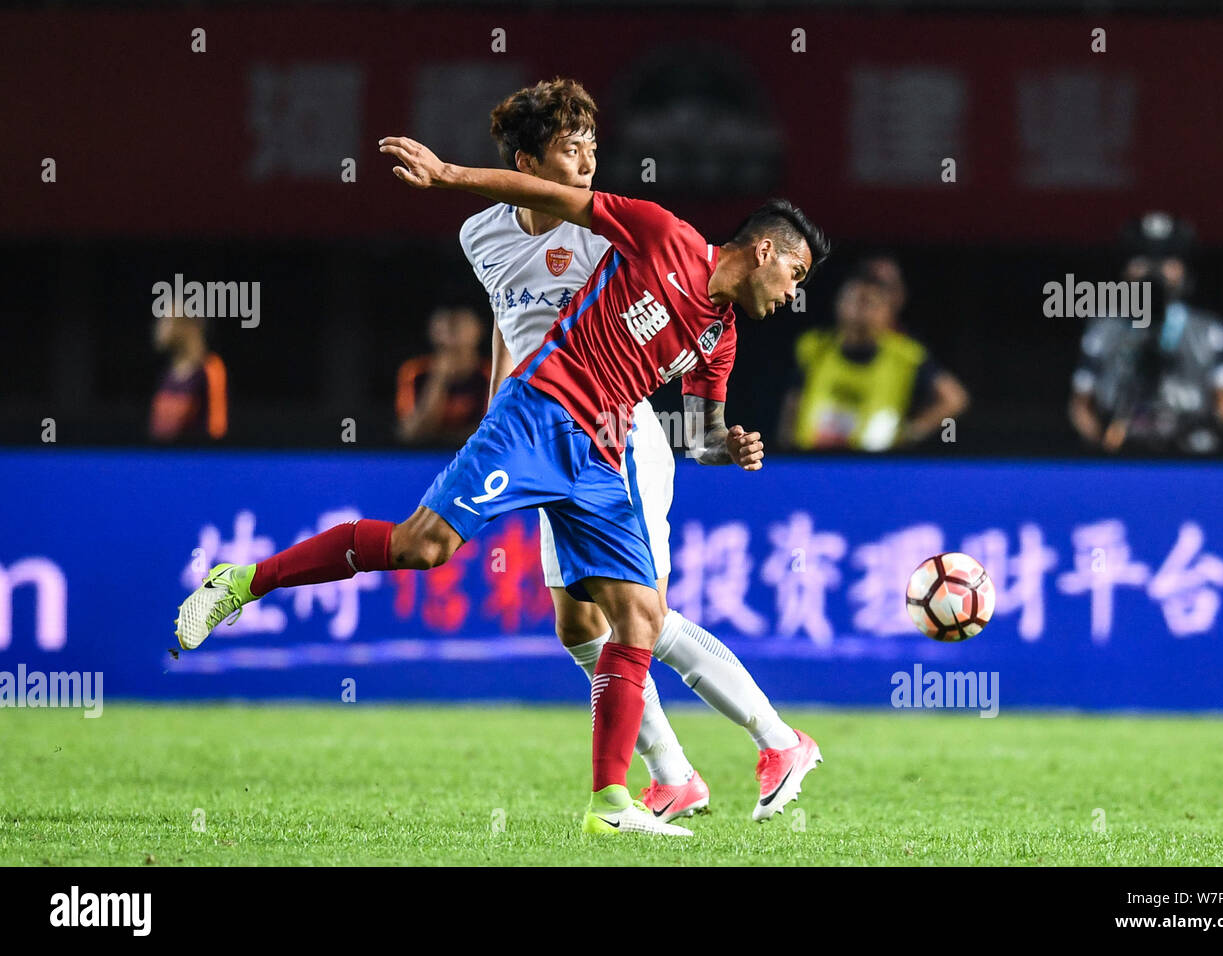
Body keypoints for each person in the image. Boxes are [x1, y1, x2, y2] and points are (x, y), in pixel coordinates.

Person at [174, 130, 830, 838]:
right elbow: (552, 196)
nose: (793, 293)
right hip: (541, 412)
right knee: (422, 548)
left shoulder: (720, 338)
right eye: (795, 274)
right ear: (765, 250)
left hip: (604, 454)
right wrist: (448, 173)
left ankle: (613, 805)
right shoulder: (663, 233)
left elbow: (699, 436)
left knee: (637, 618)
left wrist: (725, 450)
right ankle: (242, 583)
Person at [460, 77, 814, 825]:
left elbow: (678, 343)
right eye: (569, 148)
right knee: (579, 624)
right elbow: (509, 325)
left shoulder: (605, 231)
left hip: (613, 431)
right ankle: (675, 773)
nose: (587, 163)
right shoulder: (481, 236)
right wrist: (496, 415)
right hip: (539, 431)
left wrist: (712, 441)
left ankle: (776, 739)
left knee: (639, 614)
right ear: (528, 159)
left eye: (593, 147)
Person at [1069, 212, 1223, 454]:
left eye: (1167, 259)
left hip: (1189, 454)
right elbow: (1080, 404)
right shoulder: (1103, 329)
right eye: (1144, 259)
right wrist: (1101, 443)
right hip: (1123, 454)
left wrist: (1205, 431)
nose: (1155, 270)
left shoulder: (1208, 329)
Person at [780, 266, 968, 450]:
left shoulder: (906, 356)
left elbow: (954, 398)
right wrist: (788, 451)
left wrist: (910, 433)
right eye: (853, 300)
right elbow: (793, 403)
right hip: (813, 462)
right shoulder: (813, 347)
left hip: (874, 467)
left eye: (869, 303)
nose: (859, 310)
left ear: (888, 311)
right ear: (839, 303)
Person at [395, 306, 490, 446]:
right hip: (425, 458)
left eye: (458, 325)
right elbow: (411, 432)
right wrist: (439, 378)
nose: (452, 334)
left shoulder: (491, 373)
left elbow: (493, 433)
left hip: (477, 458)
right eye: (446, 325)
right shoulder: (415, 372)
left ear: (479, 329)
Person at [149, 309, 227, 442]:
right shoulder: (166, 373)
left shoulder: (211, 370)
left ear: (186, 325)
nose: (160, 327)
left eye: (167, 320)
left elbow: (218, 430)